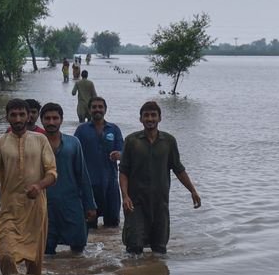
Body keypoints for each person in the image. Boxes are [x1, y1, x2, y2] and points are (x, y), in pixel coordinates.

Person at [0, 99, 57, 275]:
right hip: (10, 209)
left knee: (34, 267)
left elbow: (52, 173)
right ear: (6, 117)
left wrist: (38, 186)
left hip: (36, 210)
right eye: (13, 115)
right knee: (5, 254)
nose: (17, 119)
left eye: (21, 114)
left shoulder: (41, 140)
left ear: (28, 116)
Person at [119, 101, 201, 254]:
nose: (150, 119)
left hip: (160, 203)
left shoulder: (168, 141)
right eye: (146, 116)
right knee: (134, 247)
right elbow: (123, 171)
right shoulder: (132, 141)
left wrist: (192, 190)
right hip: (135, 203)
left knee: (160, 249)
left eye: (153, 115)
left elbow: (178, 168)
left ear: (159, 118)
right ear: (140, 119)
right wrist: (125, 196)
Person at [39, 102, 96, 255]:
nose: (51, 122)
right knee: (46, 250)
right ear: (41, 120)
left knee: (78, 246)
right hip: (44, 204)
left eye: (55, 118)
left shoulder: (73, 143)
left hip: (71, 203)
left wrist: (90, 204)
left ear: (61, 120)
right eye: (47, 118)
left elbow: (82, 175)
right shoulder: (35, 144)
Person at [74, 96, 123, 228]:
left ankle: (110, 248)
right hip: (89, 185)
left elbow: (124, 153)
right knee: (90, 225)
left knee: (112, 225)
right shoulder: (81, 130)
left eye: (100, 107)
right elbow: (74, 154)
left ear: (105, 110)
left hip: (110, 183)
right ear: (89, 110)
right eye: (94, 107)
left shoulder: (114, 129)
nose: (97, 109)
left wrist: (120, 155)